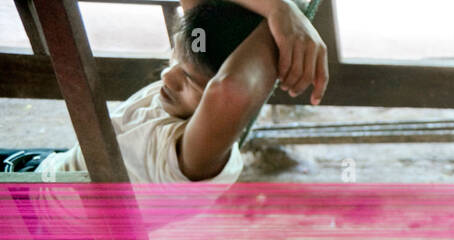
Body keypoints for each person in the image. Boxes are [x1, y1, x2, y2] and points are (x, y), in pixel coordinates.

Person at [1, 0, 327, 183]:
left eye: (191, 81)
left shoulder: (190, 157)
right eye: (175, 57)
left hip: (33, 208)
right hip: (48, 166)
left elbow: (232, 89)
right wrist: (280, 10)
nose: (169, 77)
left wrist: (287, 15)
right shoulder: (189, 87)